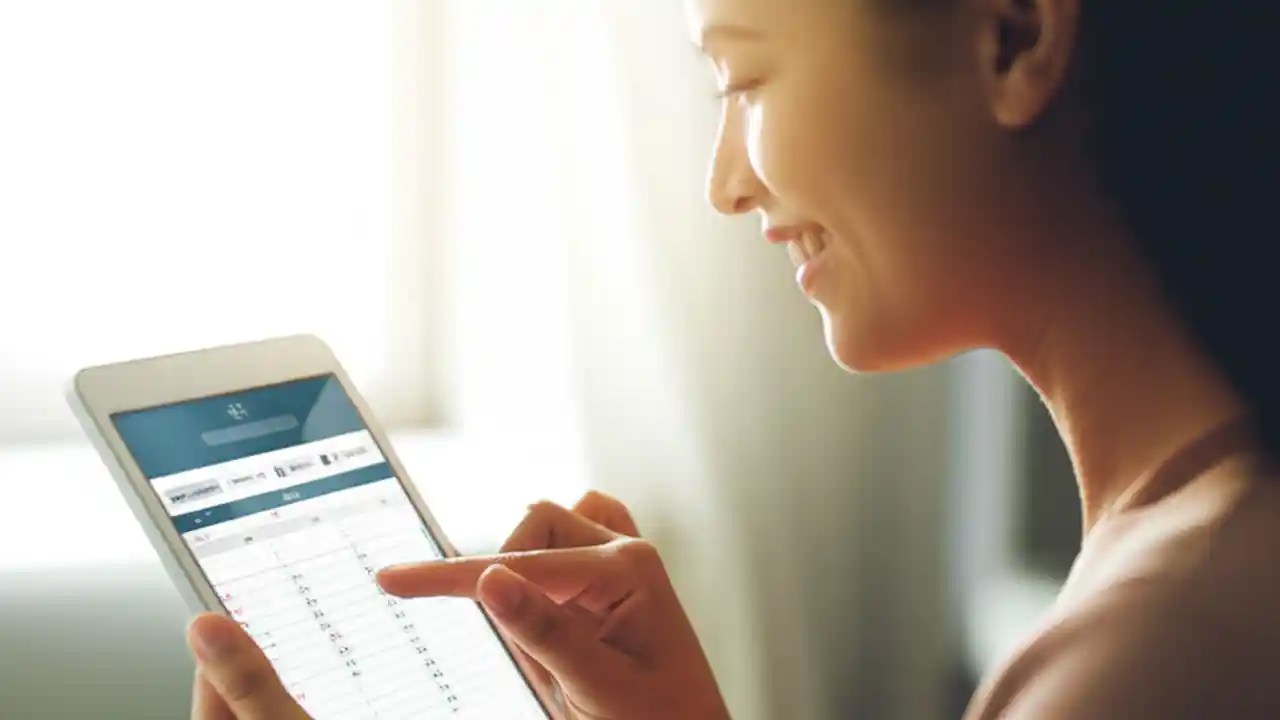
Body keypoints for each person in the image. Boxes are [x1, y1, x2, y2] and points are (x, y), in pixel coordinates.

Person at [186, 0, 1280, 717]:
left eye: (743, 80)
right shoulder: (1202, 556)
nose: (727, 184)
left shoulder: (1146, 661)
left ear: (1011, 36)